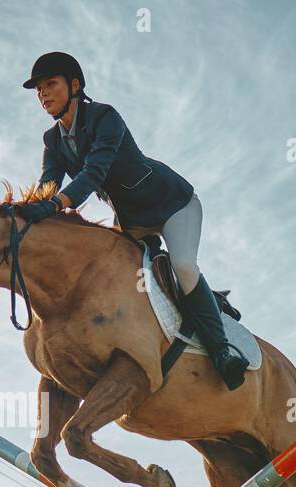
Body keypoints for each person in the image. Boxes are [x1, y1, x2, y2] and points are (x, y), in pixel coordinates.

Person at [15, 51, 248, 390]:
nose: (43, 94)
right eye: (38, 89)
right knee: (123, 275)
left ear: (75, 85)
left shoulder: (104, 117)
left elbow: (94, 173)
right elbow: (49, 181)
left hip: (172, 204)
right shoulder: (52, 139)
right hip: (131, 220)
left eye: (50, 84)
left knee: (182, 265)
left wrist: (54, 205)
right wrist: (27, 211)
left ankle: (222, 349)